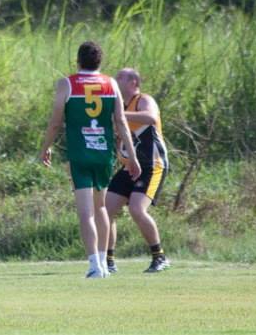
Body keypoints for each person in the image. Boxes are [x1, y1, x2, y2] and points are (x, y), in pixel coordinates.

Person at [40, 41, 140, 278]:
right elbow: (121, 123)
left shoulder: (67, 84)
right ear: (99, 62)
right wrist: (132, 157)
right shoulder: (111, 83)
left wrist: (45, 147)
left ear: (78, 61)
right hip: (103, 153)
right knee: (102, 206)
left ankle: (94, 264)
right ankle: (104, 263)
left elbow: (55, 122)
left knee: (86, 212)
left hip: (80, 153)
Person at [105, 67, 170, 274]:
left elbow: (150, 117)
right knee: (106, 210)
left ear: (133, 83)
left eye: (120, 78)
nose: (116, 80)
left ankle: (159, 256)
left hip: (152, 165)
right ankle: (108, 260)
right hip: (130, 166)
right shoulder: (120, 106)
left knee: (136, 209)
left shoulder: (143, 99)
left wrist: (119, 114)